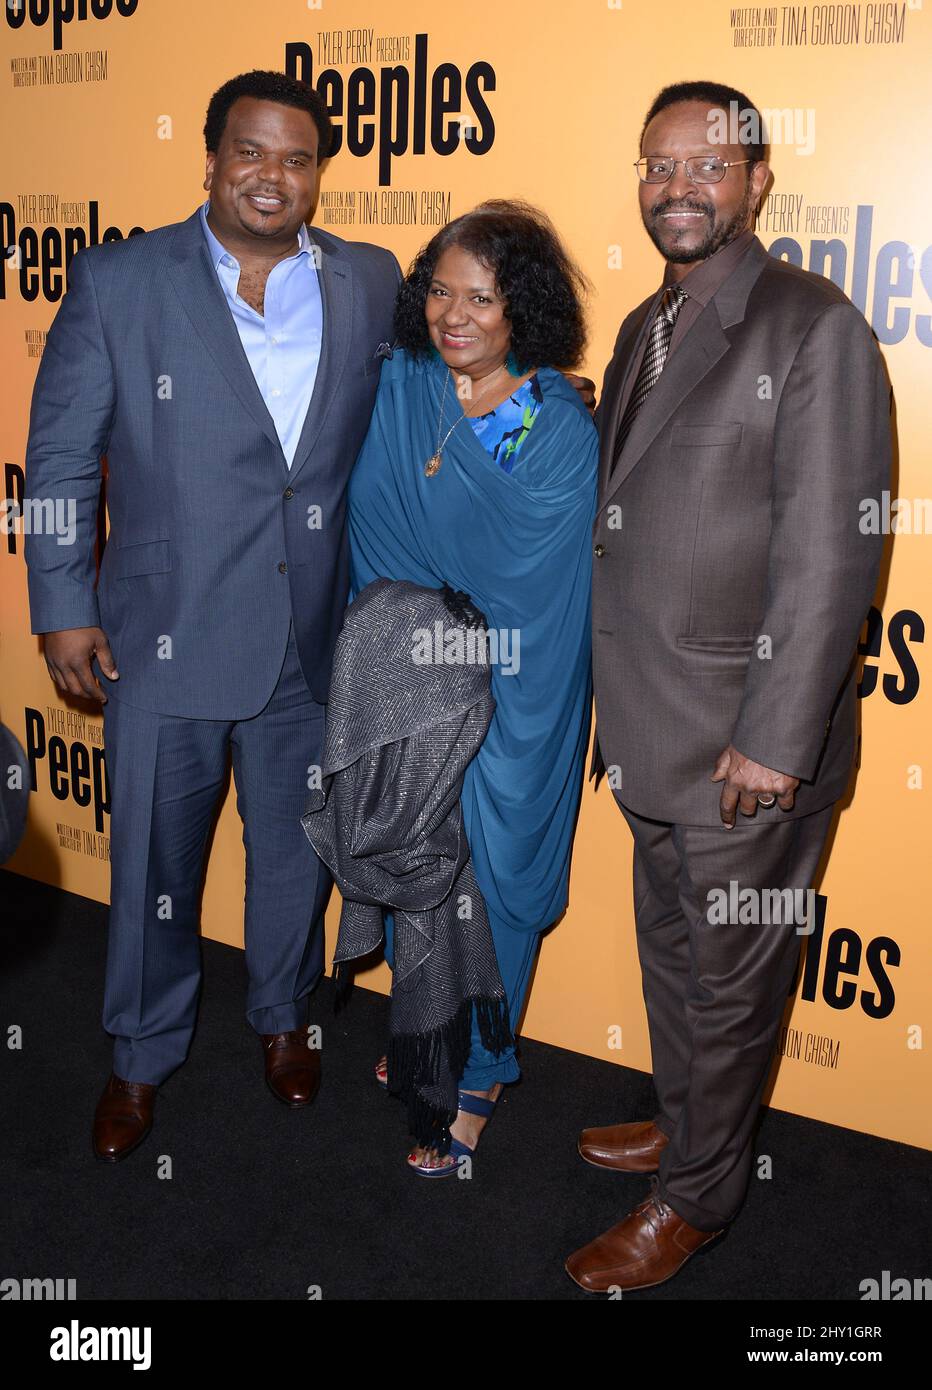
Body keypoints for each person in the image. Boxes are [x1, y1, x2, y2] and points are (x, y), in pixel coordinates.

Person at [23, 69, 401, 1161]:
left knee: (294, 856)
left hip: (308, 638)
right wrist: (61, 603)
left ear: (316, 172)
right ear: (210, 158)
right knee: (152, 866)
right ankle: (140, 1054)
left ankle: (284, 1020)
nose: (270, 175)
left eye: (294, 157)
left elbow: (440, 379)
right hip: (161, 634)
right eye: (250, 151)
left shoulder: (368, 281)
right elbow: (56, 459)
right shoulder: (120, 280)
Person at [566, 81, 891, 1290]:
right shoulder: (645, 322)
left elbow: (827, 554)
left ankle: (696, 1199)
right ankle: (687, 1121)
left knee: (735, 982)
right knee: (673, 962)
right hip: (649, 733)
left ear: (757, 181)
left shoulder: (809, 325)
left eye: (707, 165)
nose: (676, 186)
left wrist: (769, 741)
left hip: (742, 755)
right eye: (656, 165)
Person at [348, 201, 598, 1174]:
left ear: (521, 311)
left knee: (486, 882)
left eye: (481, 298)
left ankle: (477, 1076)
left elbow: (529, 594)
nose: (454, 313)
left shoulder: (554, 429)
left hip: (507, 698)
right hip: (399, 683)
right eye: (440, 290)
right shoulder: (400, 381)